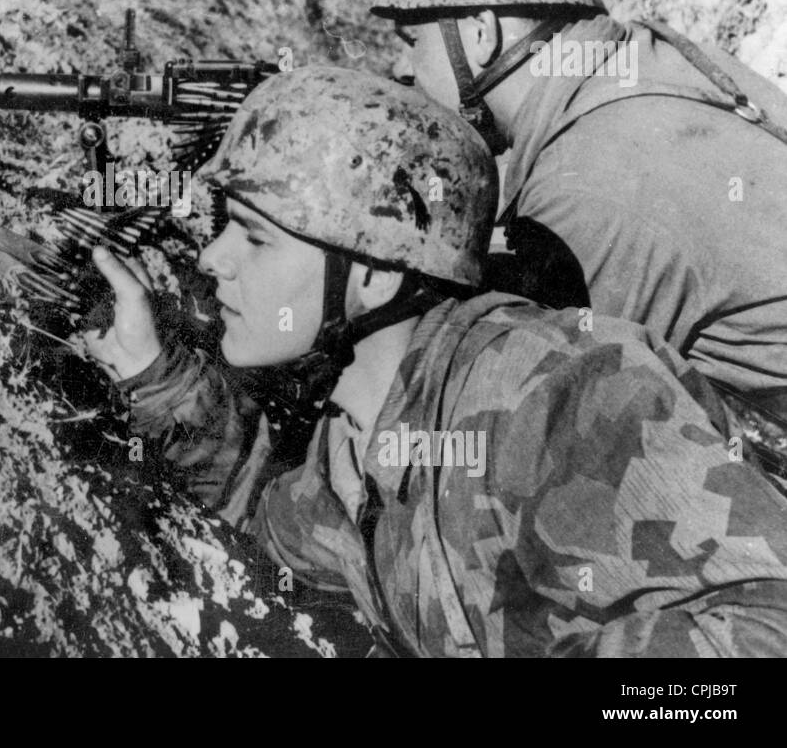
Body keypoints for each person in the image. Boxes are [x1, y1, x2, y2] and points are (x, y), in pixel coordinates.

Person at [82, 64, 787, 657]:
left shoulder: (550, 387)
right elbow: (261, 511)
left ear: (376, 276)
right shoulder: (353, 442)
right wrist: (159, 376)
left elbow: (767, 630)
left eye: (255, 238)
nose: (213, 259)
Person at [370, 0, 787, 434]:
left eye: (412, 41)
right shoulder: (643, 65)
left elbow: (544, 417)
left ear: (479, 34)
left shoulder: (589, 183)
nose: (405, 69)